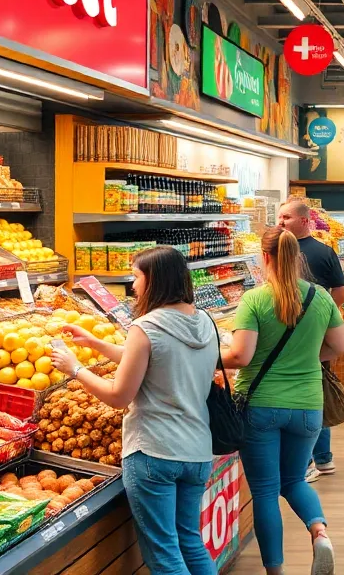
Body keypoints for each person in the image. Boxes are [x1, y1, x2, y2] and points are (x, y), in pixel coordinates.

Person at [49, 245, 218, 575]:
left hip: (154, 450)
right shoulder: (205, 321)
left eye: (136, 277)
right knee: (190, 542)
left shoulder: (147, 327)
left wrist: (76, 369)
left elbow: (118, 396)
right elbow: (152, 361)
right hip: (197, 450)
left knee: (164, 552)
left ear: (154, 280)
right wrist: (96, 344)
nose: (133, 285)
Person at [221, 226, 344, 575]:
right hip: (308, 405)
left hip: (260, 404)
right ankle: (319, 532)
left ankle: (275, 571)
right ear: (298, 257)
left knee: (264, 491)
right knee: (294, 480)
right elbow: (340, 347)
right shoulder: (321, 297)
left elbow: (242, 356)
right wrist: (306, 357)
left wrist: (214, 356)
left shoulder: (255, 299)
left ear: (264, 258)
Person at [279, 198, 344, 481]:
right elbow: (340, 293)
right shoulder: (315, 250)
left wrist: (323, 320)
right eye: (280, 217)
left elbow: (341, 292)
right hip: (313, 334)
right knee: (315, 391)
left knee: (306, 394)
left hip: (301, 335)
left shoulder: (315, 252)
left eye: (286, 217)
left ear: (305, 221)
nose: (281, 222)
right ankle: (322, 458)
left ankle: (310, 460)